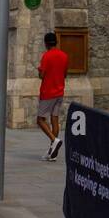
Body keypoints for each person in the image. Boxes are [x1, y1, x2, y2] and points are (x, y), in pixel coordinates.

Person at [36, 32, 69, 161]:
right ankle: (52, 151)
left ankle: (54, 140)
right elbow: (65, 74)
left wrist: (40, 71)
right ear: (56, 42)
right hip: (59, 91)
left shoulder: (46, 56)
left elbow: (42, 75)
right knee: (54, 118)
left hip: (48, 92)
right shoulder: (64, 56)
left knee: (40, 120)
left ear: (46, 44)